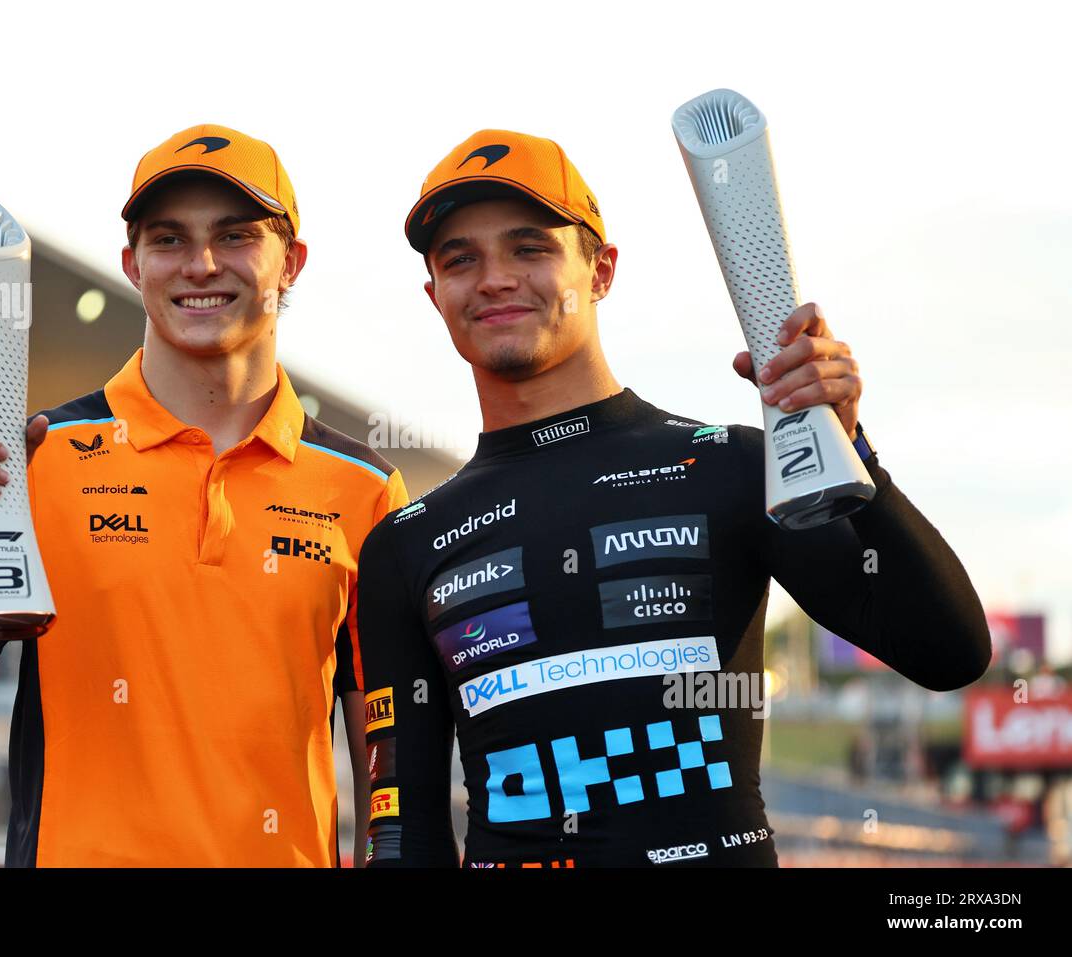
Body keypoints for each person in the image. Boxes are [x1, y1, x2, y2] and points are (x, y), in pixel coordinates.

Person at [355, 129, 991, 867]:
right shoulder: (408, 541)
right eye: (461, 258)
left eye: (530, 248)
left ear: (601, 271)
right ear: (436, 296)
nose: (495, 277)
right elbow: (406, 832)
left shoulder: (728, 467)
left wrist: (854, 456)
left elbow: (950, 651)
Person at [0, 124, 408, 867]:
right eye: (169, 239)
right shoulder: (43, 453)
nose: (201, 264)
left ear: (290, 262)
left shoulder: (363, 489)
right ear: (133, 264)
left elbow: (392, 784)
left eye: (234, 237)